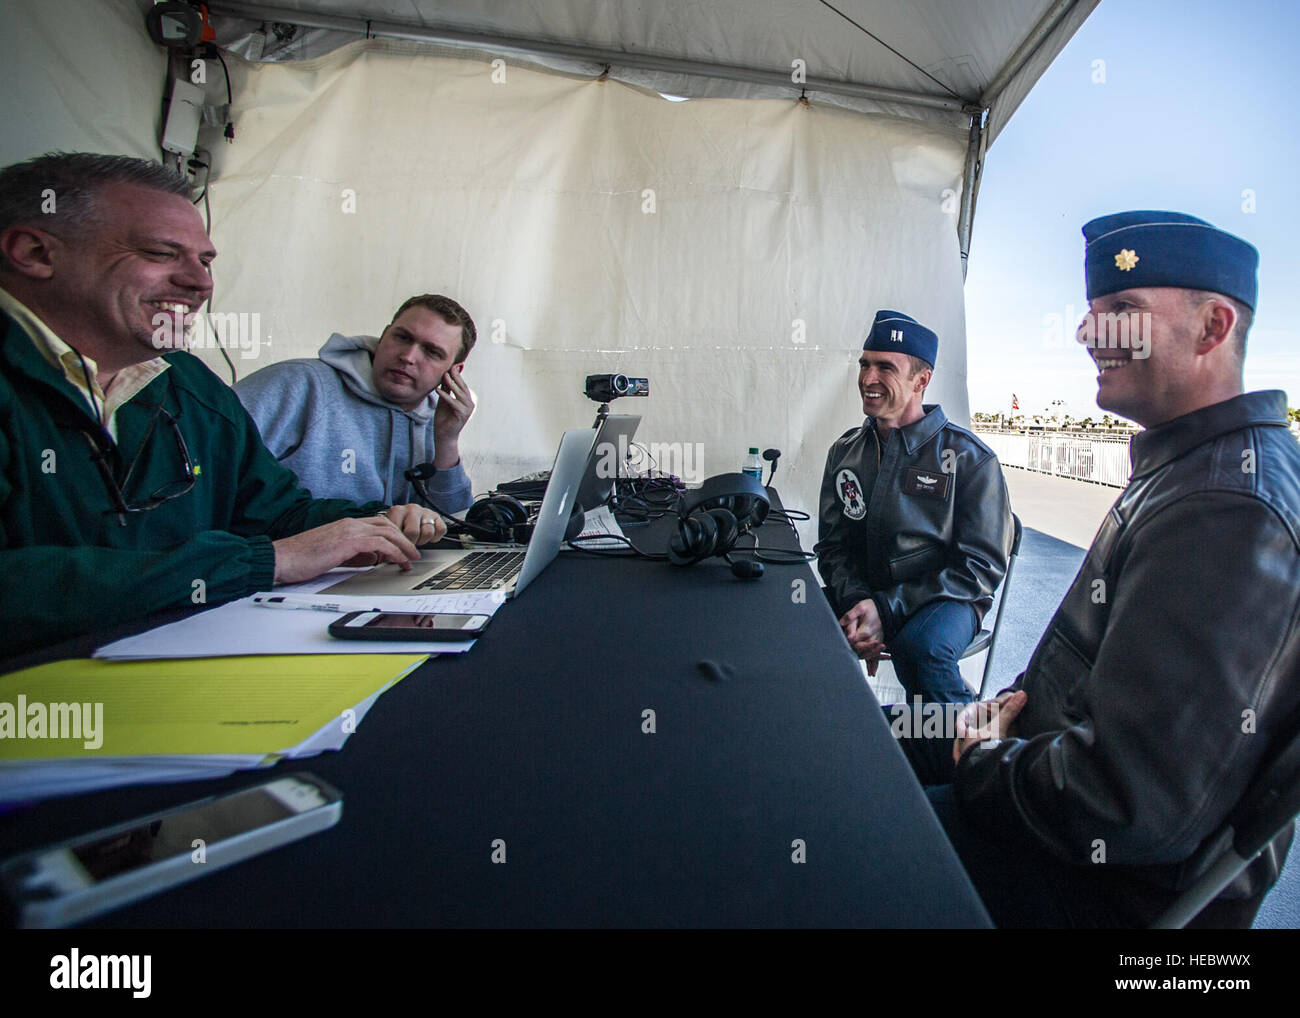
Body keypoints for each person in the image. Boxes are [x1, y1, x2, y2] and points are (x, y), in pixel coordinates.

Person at [903, 211, 1300, 927]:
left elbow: (1127, 803)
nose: (1088, 334)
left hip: (1098, 887)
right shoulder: (1187, 467)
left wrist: (983, 763)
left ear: (1212, 329)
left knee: (866, 827)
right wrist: (992, 723)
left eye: (1121, 311)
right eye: (1091, 314)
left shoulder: (1226, 508)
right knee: (872, 728)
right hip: (1037, 767)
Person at [0, 152, 446, 657]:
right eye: (161, 253)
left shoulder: (189, 383)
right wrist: (267, 562)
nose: (201, 285)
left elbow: (272, 511)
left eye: (206, 261)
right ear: (35, 252)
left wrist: (373, 524)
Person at [815, 310, 1014, 703]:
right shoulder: (845, 451)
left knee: (920, 651)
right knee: (789, 616)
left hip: (947, 599)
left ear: (922, 380)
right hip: (868, 590)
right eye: (865, 365)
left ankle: (963, 750)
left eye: (885, 367)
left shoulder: (970, 460)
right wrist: (858, 602)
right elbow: (833, 547)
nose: (868, 379)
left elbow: (980, 566)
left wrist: (887, 611)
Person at [235, 294, 477, 511]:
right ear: (383, 336)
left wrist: (447, 442)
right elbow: (208, 454)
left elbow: (457, 526)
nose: (408, 356)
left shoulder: (438, 419)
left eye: (432, 352)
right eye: (402, 337)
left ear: (454, 371)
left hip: (394, 560)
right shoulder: (298, 384)